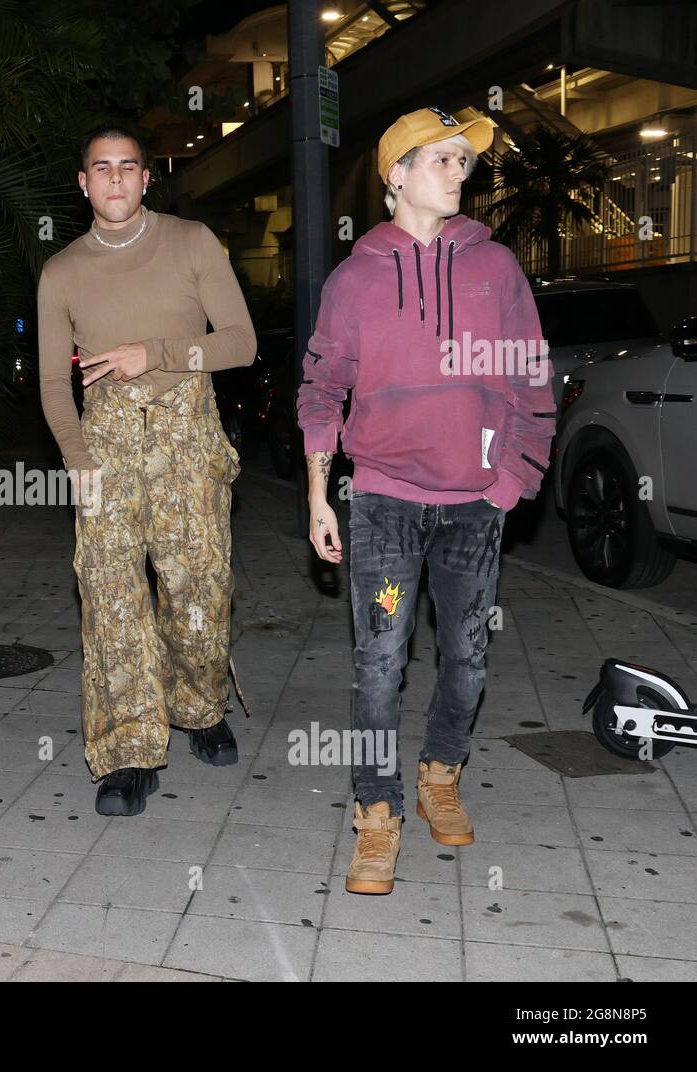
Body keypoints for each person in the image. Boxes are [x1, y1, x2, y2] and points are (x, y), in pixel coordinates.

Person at [297, 107, 555, 894]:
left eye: (462, 160)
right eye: (439, 158)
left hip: (475, 507)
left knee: (467, 660)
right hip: (382, 504)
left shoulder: (497, 269)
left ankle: (440, 772)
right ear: (396, 175)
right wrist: (318, 494)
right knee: (378, 664)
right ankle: (375, 813)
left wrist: (512, 482)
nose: (458, 172)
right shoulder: (355, 279)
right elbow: (320, 389)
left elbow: (531, 383)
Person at [38, 124, 256, 817]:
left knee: (199, 590)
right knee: (110, 598)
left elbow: (242, 344)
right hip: (105, 441)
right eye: (100, 169)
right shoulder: (62, 271)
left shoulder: (192, 242)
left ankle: (198, 703)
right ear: (83, 183)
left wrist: (154, 353)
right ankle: (129, 749)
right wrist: (76, 461)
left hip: (188, 436)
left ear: (145, 177)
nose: (115, 180)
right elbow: (51, 382)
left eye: (128, 168)